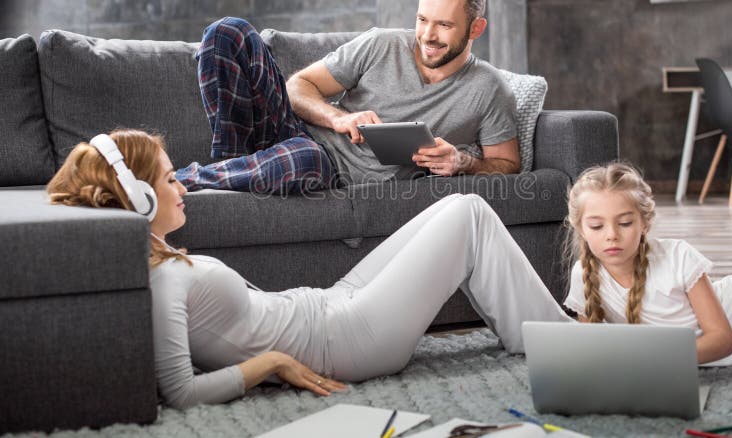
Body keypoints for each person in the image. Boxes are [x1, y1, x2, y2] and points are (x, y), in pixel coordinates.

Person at [48, 129, 570, 409]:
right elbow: (179, 392)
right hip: (347, 339)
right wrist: (270, 363)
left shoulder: (162, 260)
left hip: (330, 303)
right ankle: (558, 340)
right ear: (136, 198)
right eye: (167, 181)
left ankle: (545, 330)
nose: (182, 187)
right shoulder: (163, 282)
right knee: (469, 212)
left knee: (447, 212)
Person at [176, 0, 519, 194]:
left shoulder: (489, 89)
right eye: (422, 19)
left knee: (304, 160)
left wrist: (462, 162)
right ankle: (228, 174)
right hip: (290, 130)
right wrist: (340, 118)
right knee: (227, 32)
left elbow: (507, 164)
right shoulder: (380, 44)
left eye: (444, 25)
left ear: (476, 28)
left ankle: (183, 182)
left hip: (325, 167)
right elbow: (297, 88)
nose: (427, 35)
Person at [563, 162, 732, 387]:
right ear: (581, 229)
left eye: (625, 223)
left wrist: (653, 362)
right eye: (597, 226)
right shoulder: (582, 275)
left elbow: (721, 338)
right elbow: (592, 350)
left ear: (644, 223)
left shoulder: (677, 255)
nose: (611, 235)